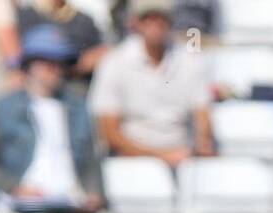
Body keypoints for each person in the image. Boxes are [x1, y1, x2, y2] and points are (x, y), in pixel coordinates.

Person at [0, 24, 101, 213]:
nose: (54, 69)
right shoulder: (3, 108)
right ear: (28, 66)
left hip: (70, 205)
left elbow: (91, 160)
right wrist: (15, 186)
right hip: (20, 207)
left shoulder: (78, 107)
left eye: (59, 63)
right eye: (46, 62)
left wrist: (94, 193)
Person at [89, 0, 213, 166]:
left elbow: (203, 116)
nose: (155, 24)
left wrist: (200, 146)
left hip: (182, 158)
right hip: (133, 163)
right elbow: (109, 133)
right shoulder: (114, 62)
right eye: (148, 18)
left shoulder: (191, 60)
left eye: (161, 18)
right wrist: (161, 157)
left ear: (171, 21)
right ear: (135, 22)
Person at [14, 0, 109, 87]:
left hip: (76, 85)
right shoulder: (27, 16)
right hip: (35, 84)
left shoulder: (84, 20)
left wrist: (74, 67)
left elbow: (98, 54)